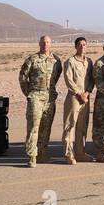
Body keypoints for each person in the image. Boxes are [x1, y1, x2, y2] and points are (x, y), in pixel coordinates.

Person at [19, 35, 62, 167]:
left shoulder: (56, 60)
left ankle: (43, 154)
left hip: (50, 98)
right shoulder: (32, 59)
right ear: (39, 43)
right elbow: (22, 77)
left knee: (46, 127)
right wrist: (29, 93)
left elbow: (57, 75)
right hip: (36, 96)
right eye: (43, 42)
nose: (45, 45)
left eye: (48, 42)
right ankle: (32, 156)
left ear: (51, 44)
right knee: (34, 127)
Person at [60, 36, 94, 164]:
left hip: (86, 98)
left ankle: (80, 152)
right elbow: (69, 80)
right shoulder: (70, 62)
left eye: (84, 44)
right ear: (75, 46)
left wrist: (87, 92)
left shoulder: (89, 62)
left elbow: (91, 79)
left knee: (82, 126)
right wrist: (80, 94)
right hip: (74, 97)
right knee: (70, 125)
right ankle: (69, 153)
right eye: (79, 44)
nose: (82, 47)